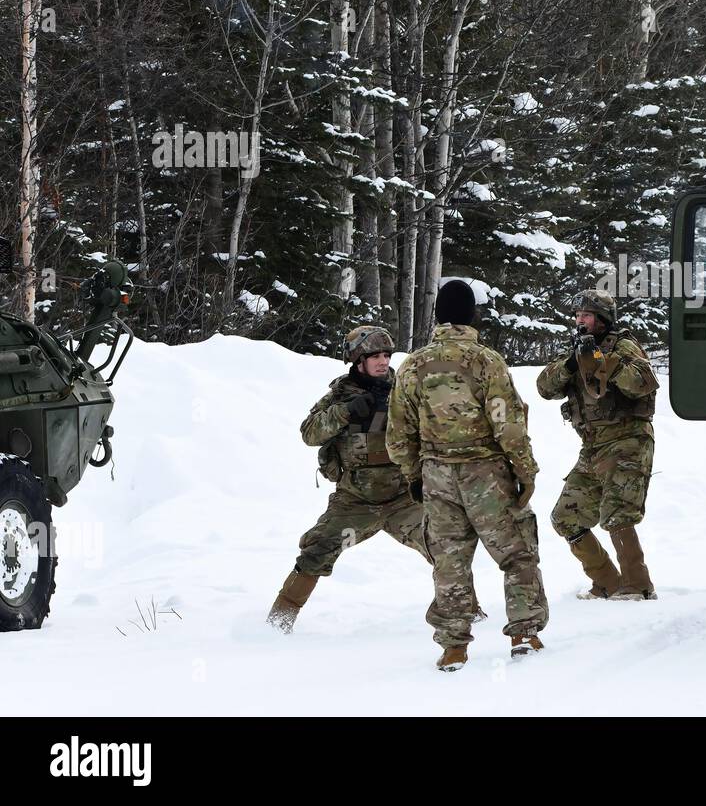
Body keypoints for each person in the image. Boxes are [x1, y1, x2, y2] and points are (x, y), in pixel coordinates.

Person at [268, 326, 482, 632]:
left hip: (404, 498)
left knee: (444, 544)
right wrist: (346, 412)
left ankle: (471, 614)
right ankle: (277, 625)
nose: (383, 362)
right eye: (375, 357)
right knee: (316, 550)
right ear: (357, 360)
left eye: (386, 355)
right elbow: (309, 433)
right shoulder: (341, 395)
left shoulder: (405, 387)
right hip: (355, 501)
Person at [387, 280, 548, 672]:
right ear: (472, 315)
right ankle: (524, 633)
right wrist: (525, 471)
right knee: (516, 552)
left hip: (436, 474)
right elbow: (507, 424)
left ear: (438, 315)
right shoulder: (486, 361)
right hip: (486, 474)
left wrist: (414, 473)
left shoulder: (413, 364)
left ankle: (453, 646)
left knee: (449, 561)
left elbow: (398, 432)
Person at [536, 289, 659, 601]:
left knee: (617, 513)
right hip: (592, 449)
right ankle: (607, 582)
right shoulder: (575, 352)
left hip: (628, 441)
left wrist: (604, 361)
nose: (580, 321)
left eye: (587, 316)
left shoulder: (623, 344)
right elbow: (544, 388)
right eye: (577, 316)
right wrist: (571, 363)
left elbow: (641, 383)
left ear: (603, 319)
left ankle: (638, 586)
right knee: (566, 516)